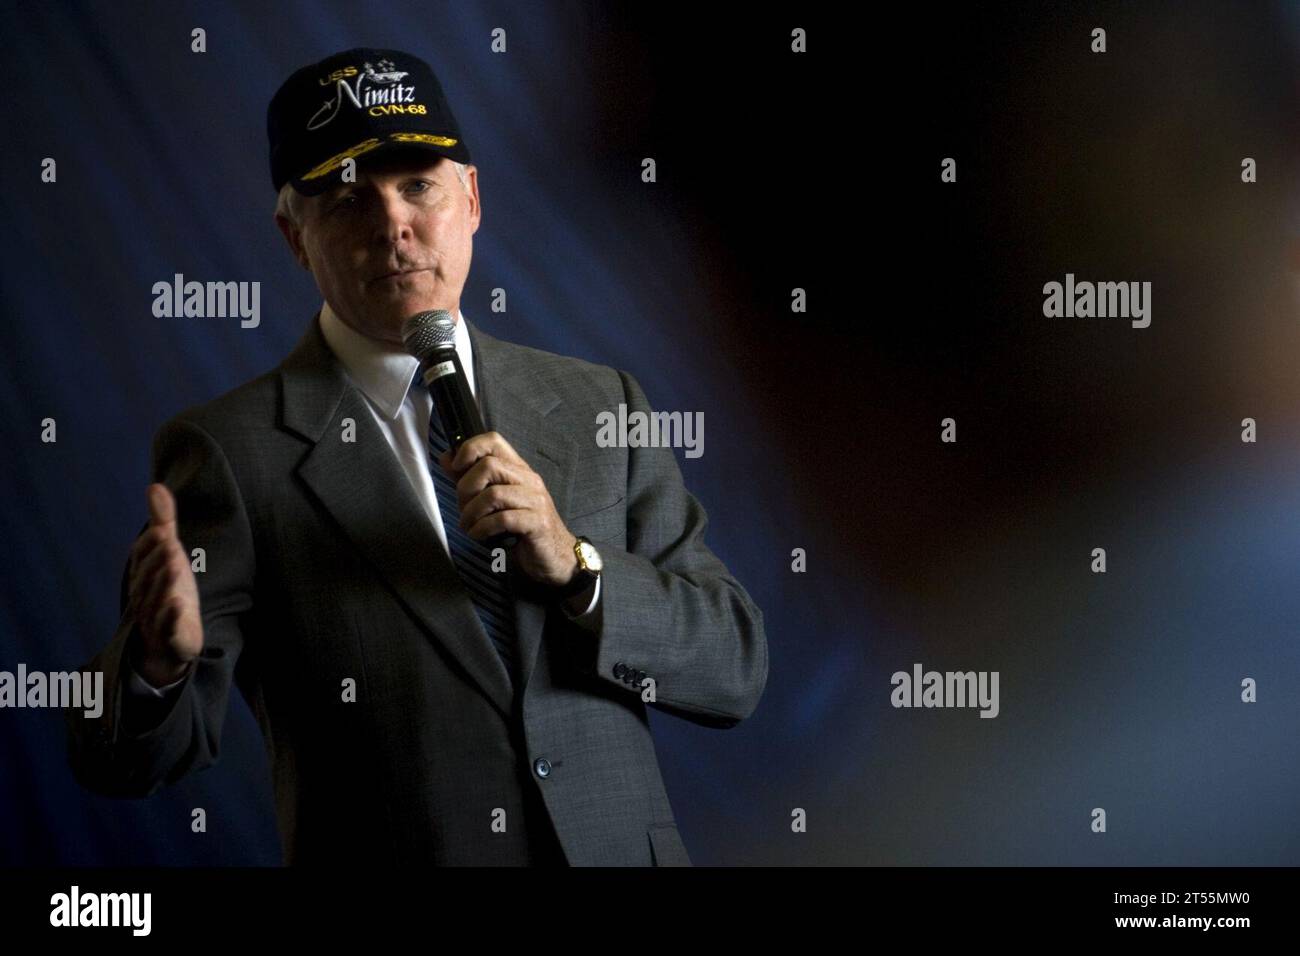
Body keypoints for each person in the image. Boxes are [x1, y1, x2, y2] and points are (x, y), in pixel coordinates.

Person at [66, 47, 767, 866]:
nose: (392, 223)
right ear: (294, 237)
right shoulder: (228, 451)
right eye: (347, 198)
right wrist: (154, 666)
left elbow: (733, 666)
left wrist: (577, 567)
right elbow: (121, 761)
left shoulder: (599, 404)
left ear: (470, 198)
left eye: (418, 186)